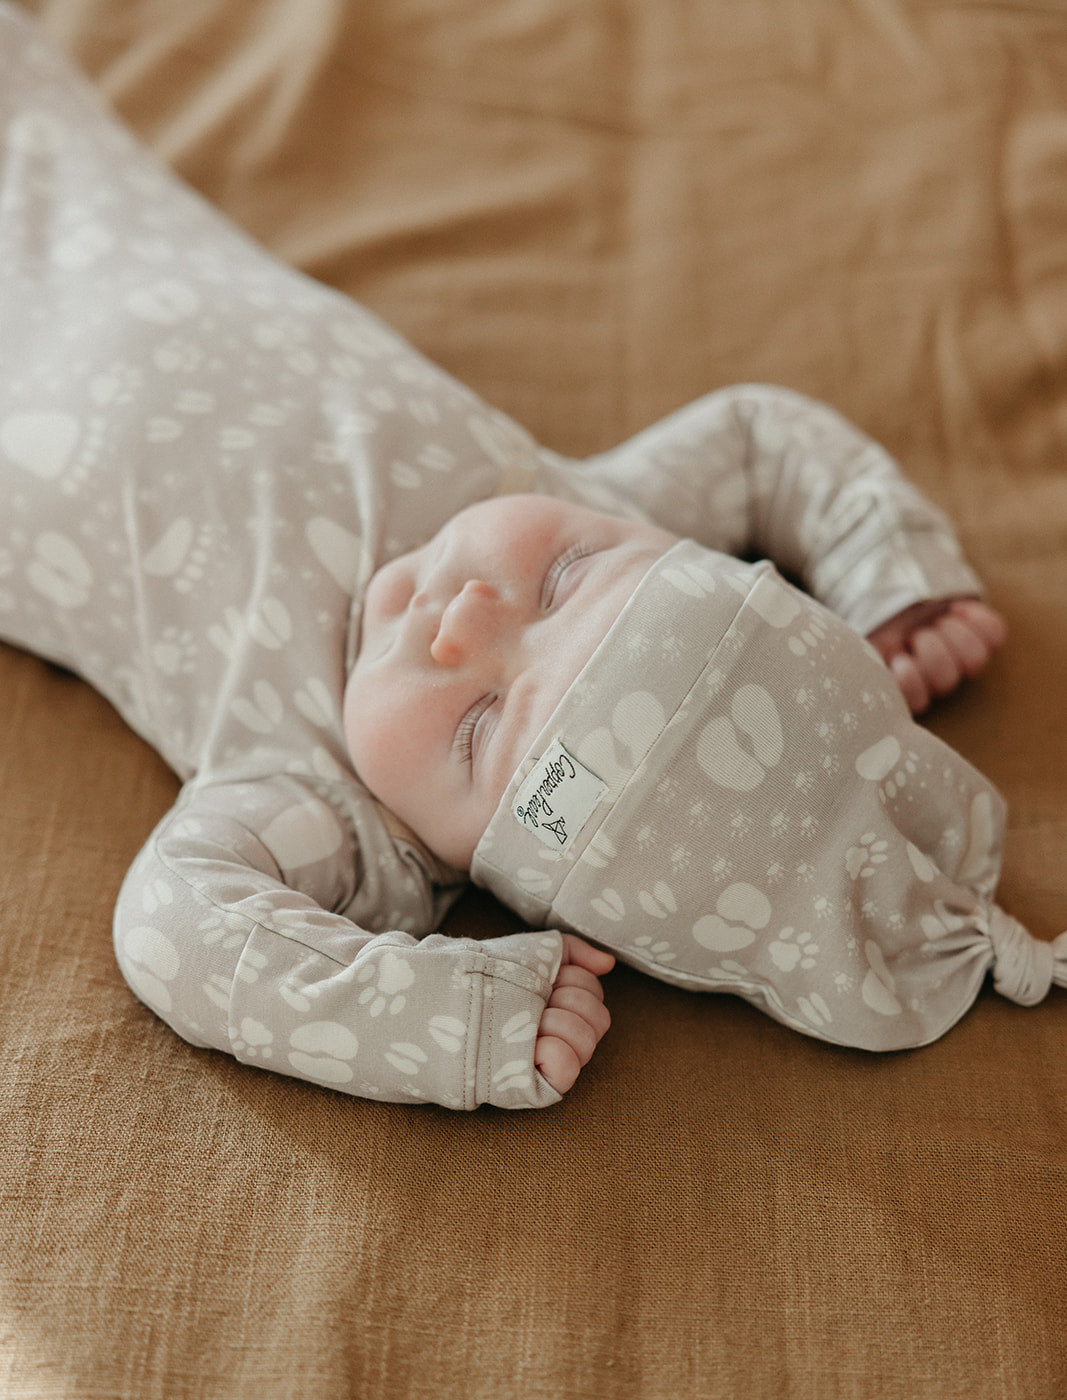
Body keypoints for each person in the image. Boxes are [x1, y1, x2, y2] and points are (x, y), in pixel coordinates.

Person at [7, 1, 1057, 1118]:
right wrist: (884, 570)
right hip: (84, 200)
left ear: (506, 878)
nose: (466, 619)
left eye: (474, 727)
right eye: (559, 582)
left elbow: (172, 929)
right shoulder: (598, 506)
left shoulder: (338, 811)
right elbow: (759, 439)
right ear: (657, 546)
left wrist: (453, 1014)